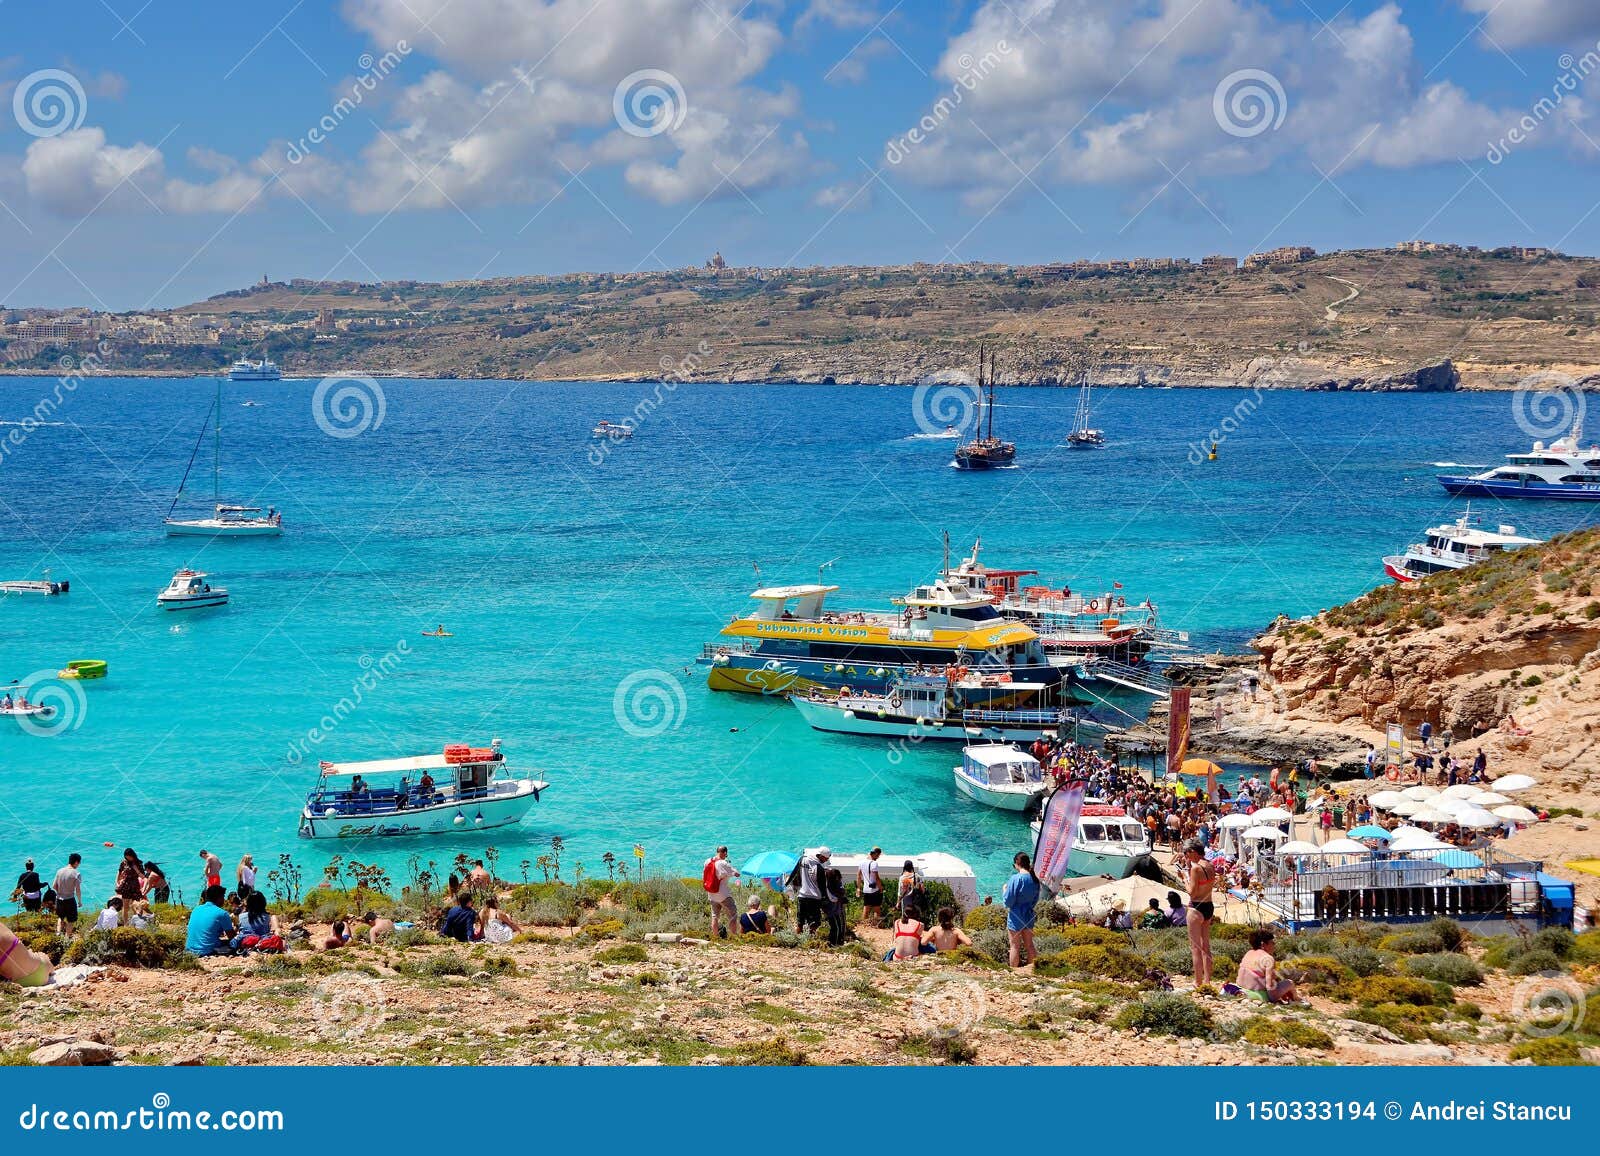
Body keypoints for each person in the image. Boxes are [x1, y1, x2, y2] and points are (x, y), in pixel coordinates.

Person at [1183, 840, 1216, 987]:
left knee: (1195, 947)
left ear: (1192, 851)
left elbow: (1192, 892)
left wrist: (1184, 878)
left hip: (1196, 907)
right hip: (1208, 905)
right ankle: (1207, 981)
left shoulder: (1195, 868)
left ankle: (1197, 982)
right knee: (1206, 946)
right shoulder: (1210, 865)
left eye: (1186, 852)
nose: (1186, 855)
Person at [1002, 852, 1042, 969]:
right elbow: (1035, 900)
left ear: (1017, 863)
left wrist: (1004, 890)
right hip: (1029, 915)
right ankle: (1033, 970)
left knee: (1014, 946)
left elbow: (1008, 901)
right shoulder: (1034, 879)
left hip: (1015, 916)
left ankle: (1014, 973)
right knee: (1029, 945)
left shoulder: (1016, 878)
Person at [1236, 929, 1298, 1003]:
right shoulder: (1268, 958)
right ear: (1263, 944)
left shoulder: (1248, 953)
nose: (1274, 945)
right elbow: (1270, 986)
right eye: (1272, 942)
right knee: (1289, 982)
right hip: (1258, 993)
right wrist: (1275, 998)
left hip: (1241, 989)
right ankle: (1297, 1000)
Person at [185, 885, 235, 957]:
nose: (224, 900)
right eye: (223, 897)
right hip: (206, 951)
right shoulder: (222, 913)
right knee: (234, 943)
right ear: (219, 898)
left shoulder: (196, 909)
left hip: (190, 949)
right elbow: (232, 937)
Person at [703, 846, 740, 940]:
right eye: (726, 854)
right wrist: (733, 869)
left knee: (714, 916)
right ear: (724, 853)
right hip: (723, 894)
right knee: (733, 915)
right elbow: (736, 873)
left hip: (711, 893)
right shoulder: (723, 863)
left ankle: (715, 937)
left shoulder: (707, 861)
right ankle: (734, 937)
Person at [793, 848, 826, 935]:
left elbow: (795, 874)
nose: (826, 860)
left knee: (800, 922)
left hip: (802, 895)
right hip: (814, 898)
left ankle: (798, 939)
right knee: (814, 922)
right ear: (821, 856)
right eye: (826, 859)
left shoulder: (803, 860)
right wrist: (824, 898)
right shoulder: (819, 868)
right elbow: (822, 886)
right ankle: (811, 940)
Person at [53, 853, 83, 934]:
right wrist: (79, 901)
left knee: (60, 917)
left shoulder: (59, 871)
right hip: (69, 899)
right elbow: (78, 890)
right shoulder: (76, 873)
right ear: (76, 862)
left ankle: (58, 933)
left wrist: (60, 893)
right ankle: (66, 940)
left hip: (59, 898)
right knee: (71, 920)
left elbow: (54, 886)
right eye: (79, 863)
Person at [857, 846, 883, 928]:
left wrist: (858, 888)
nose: (878, 857)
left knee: (866, 908)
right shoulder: (874, 863)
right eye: (878, 855)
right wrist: (881, 888)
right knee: (877, 909)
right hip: (874, 889)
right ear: (875, 854)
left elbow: (858, 876)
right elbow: (876, 877)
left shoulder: (861, 862)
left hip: (866, 889)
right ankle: (876, 925)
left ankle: (864, 925)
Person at [116, 849, 144, 921]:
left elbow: (143, 876)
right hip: (126, 885)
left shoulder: (138, 863)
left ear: (133, 855)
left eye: (129, 857)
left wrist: (136, 870)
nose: (128, 858)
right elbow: (119, 872)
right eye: (126, 857)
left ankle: (137, 922)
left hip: (135, 885)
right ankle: (126, 924)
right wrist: (117, 882)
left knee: (136, 906)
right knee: (125, 907)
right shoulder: (124, 862)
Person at [823, 866, 847, 947]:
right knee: (837, 927)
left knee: (837, 926)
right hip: (835, 909)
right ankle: (835, 943)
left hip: (833, 909)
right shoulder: (835, 884)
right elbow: (842, 892)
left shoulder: (827, 884)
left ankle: (835, 943)